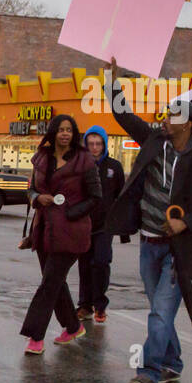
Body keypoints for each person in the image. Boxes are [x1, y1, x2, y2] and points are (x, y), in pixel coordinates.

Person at [104, 60, 192, 383]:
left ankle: (150, 370)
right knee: (159, 308)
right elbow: (123, 116)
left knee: (160, 310)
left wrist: (186, 222)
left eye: (173, 115)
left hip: (179, 249)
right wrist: (112, 84)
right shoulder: (154, 141)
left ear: (188, 124)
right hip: (148, 241)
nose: (166, 119)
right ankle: (173, 362)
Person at [20, 115, 101, 354]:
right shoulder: (42, 158)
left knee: (48, 284)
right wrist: (37, 198)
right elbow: (32, 188)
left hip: (71, 231)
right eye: (61, 129)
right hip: (44, 230)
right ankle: (73, 326)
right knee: (54, 282)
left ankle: (35, 336)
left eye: (69, 130)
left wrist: (71, 213)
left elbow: (95, 197)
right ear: (53, 132)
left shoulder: (84, 160)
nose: (65, 134)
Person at [76, 126, 125, 323]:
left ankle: (100, 305)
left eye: (98, 144)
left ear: (104, 144)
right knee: (85, 264)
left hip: (106, 225)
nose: (94, 147)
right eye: (91, 144)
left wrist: (122, 222)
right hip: (84, 222)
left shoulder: (114, 167)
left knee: (102, 262)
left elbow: (122, 195)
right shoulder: (79, 167)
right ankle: (85, 304)